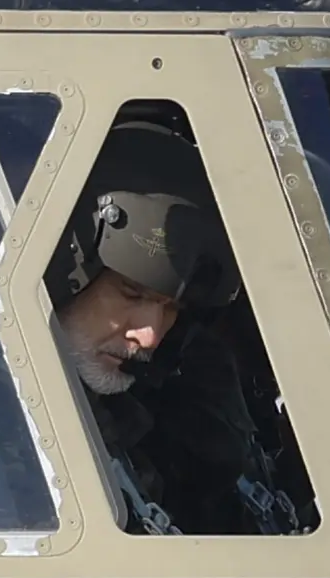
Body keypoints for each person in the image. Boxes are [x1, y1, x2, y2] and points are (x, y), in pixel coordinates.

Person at [44, 119, 304, 536]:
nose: (149, 336)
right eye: (131, 294)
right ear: (63, 270)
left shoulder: (145, 426)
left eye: (170, 309)